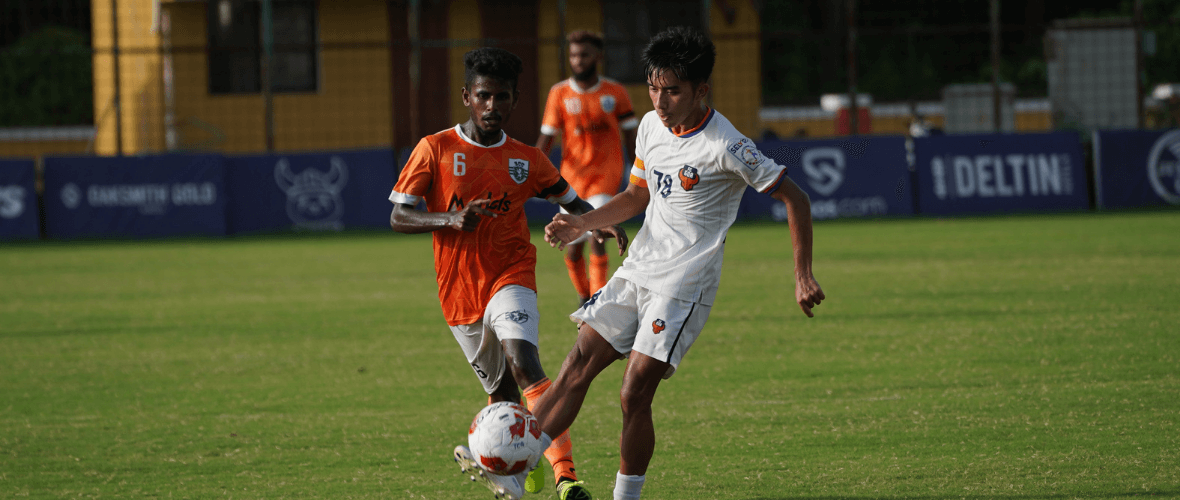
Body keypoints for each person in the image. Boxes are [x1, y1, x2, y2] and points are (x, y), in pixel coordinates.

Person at [528, 27, 825, 500]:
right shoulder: (650, 126)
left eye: (672, 91)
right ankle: (514, 463)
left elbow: (797, 198)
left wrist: (802, 273)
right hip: (639, 267)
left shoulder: (727, 145)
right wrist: (582, 223)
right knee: (577, 362)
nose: (659, 101)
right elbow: (636, 196)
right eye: (652, 88)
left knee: (633, 391)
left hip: (685, 282)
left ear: (700, 91)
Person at [389, 47, 625, 500]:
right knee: (502, 397)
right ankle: (513, 467)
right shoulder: (434, 149)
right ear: (467, 97)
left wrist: (597, 221)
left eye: (502, 98)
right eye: (484, 97)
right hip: (459, 293)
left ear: (515, 100)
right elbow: (400, 216)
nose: (492, 107)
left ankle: (566, 477)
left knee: (524, 362)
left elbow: (570, 199)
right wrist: (448, 219)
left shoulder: (527, 160)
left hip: (512, 273)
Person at [536, 30, 639, 306]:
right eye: (573, 55)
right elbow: (546, 140)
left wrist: (638, 170)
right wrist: (531, 171)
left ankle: (598, 301)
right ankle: (584, 297)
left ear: (598, 57)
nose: (578, 60)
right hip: (571, 180)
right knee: (572, 251)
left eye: (584, 54)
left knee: (597, 235)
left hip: (606, 175)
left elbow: (631, 133)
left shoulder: (615, 92)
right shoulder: (559, 93)